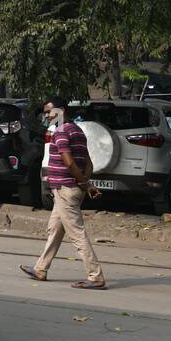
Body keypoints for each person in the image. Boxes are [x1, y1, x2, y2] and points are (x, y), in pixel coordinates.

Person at [20, 97, 108, 289]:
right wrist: (85, 183)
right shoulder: (77, 131)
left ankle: (95, 276)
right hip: (70, 189)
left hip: (65, 190)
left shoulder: (60, 132)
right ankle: (41, 269)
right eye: (45, 113)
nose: (47, 116)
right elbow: (88, 161)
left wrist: (85, 184)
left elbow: (69, 162)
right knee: (54, 230)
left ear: (62, 111)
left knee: (77, 234)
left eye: (50, 112)